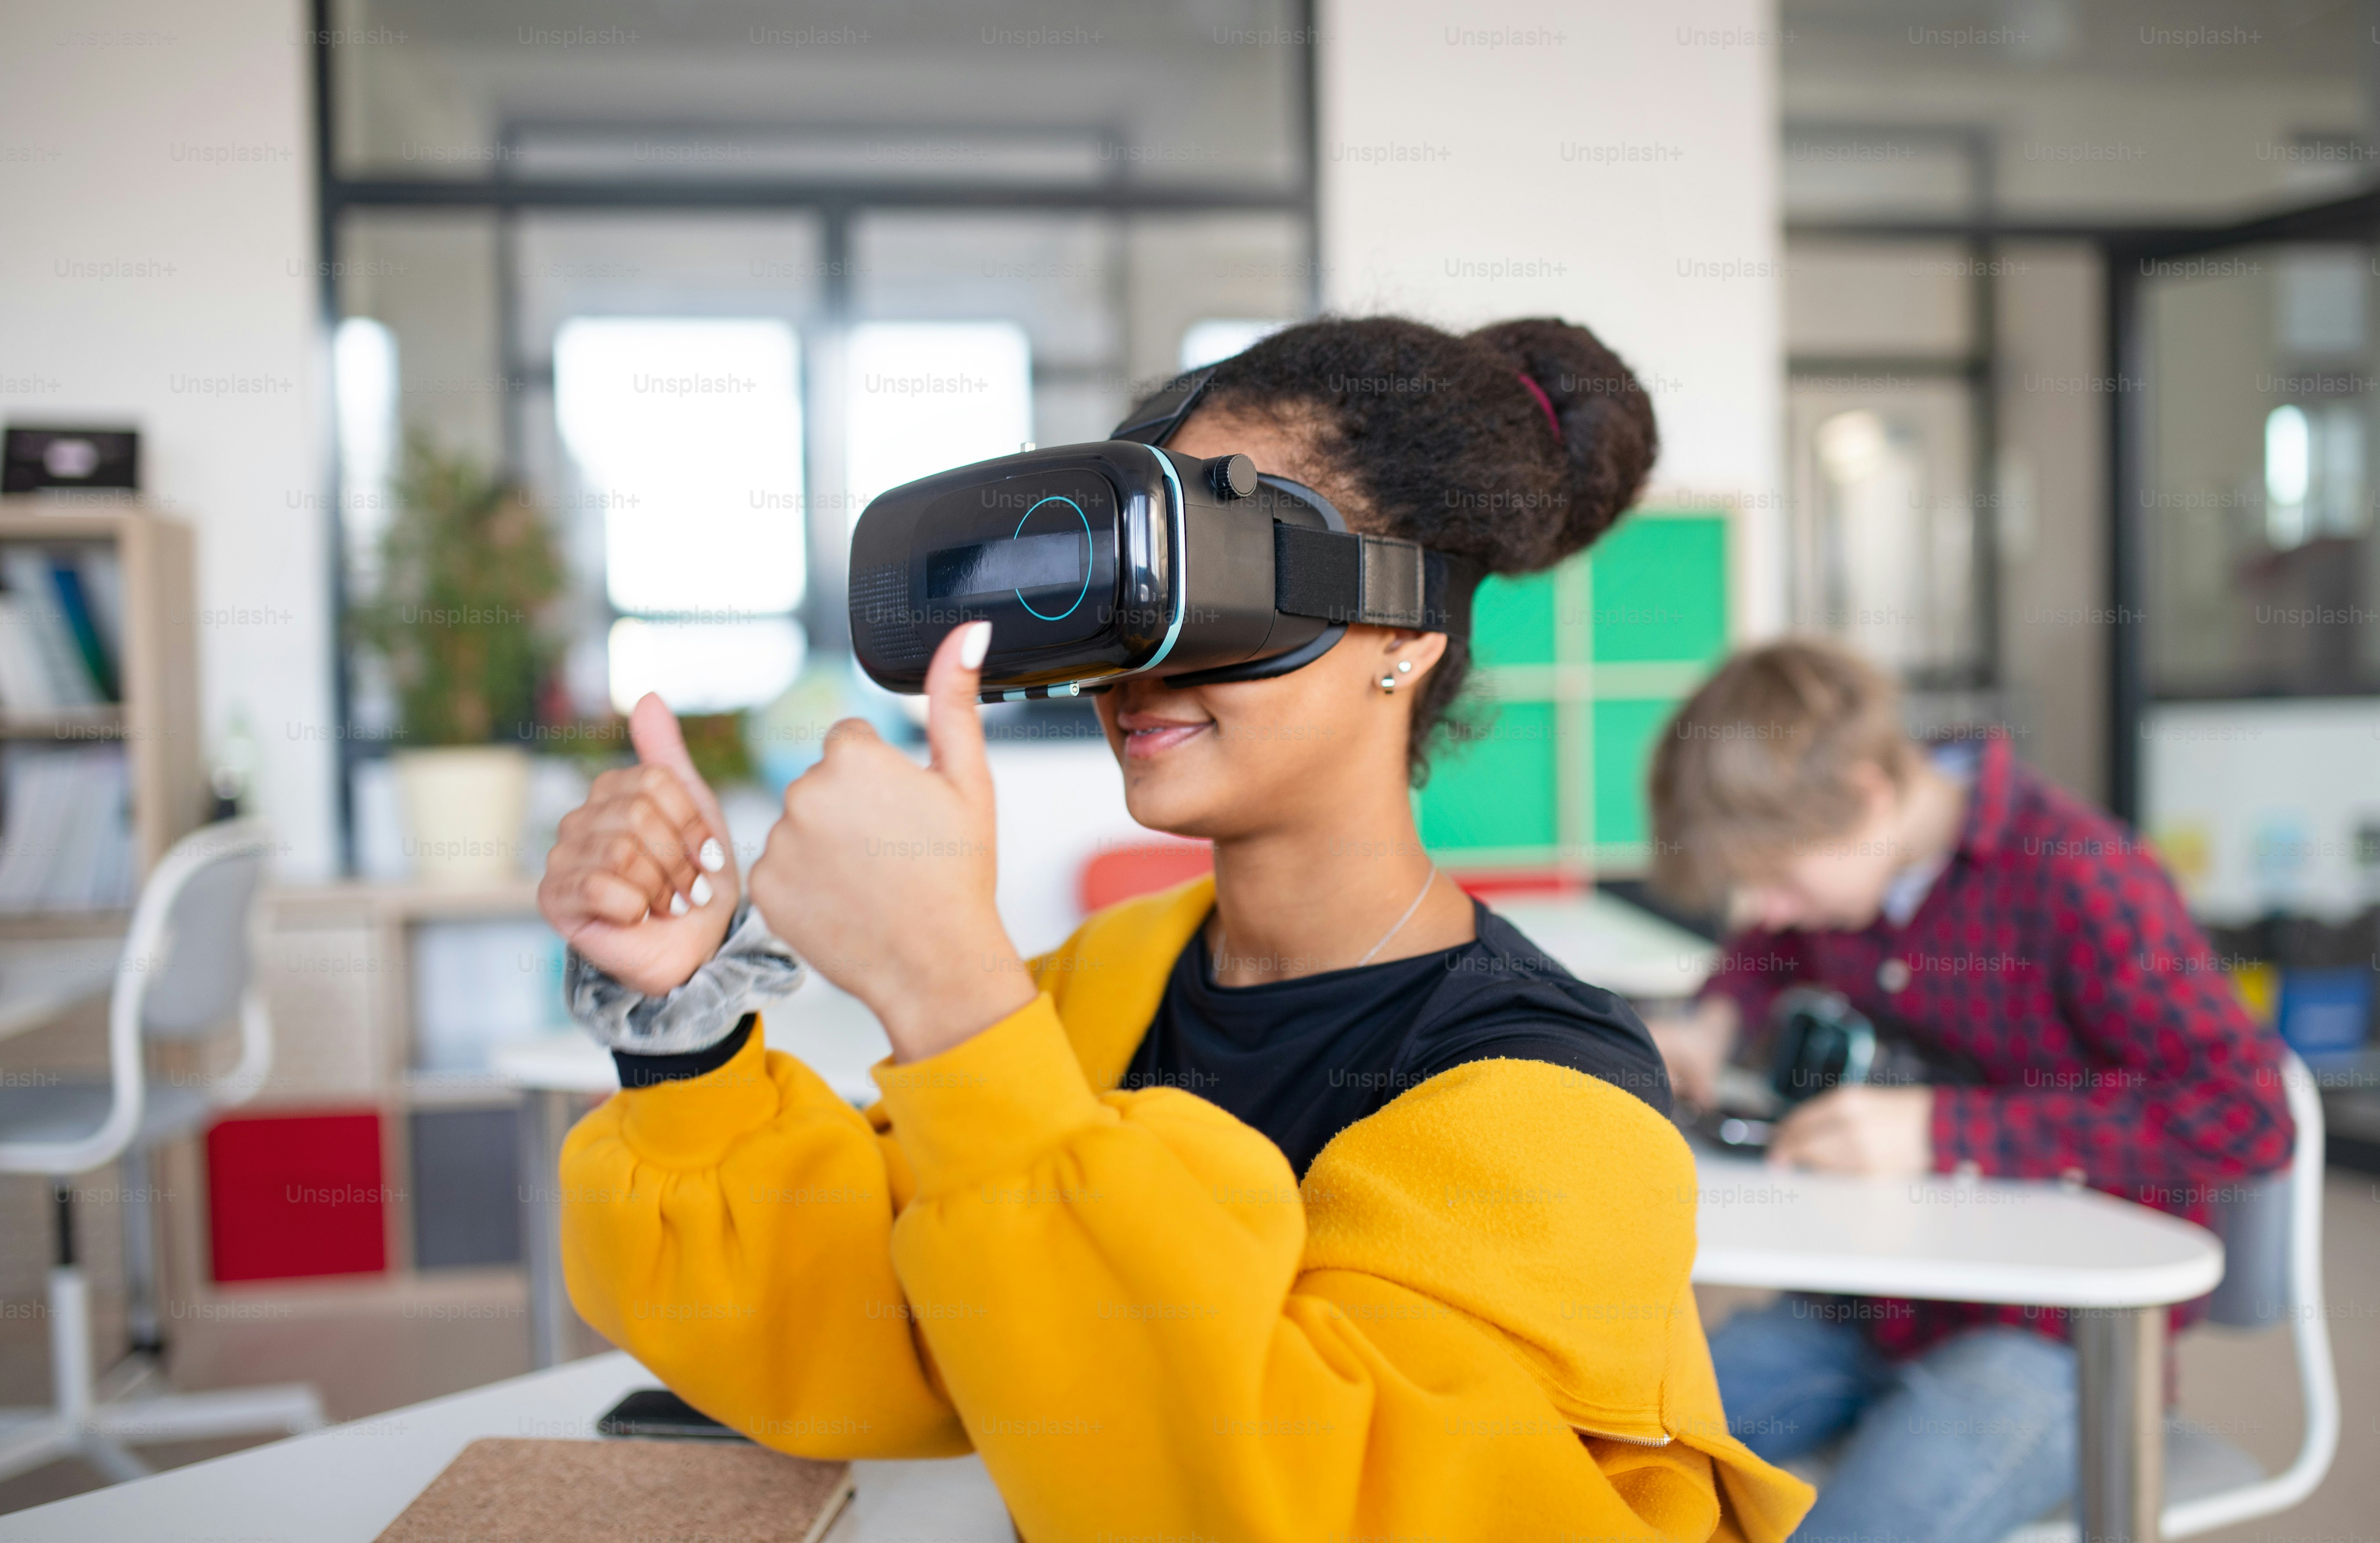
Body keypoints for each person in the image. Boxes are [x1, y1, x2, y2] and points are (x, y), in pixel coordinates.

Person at [536, 317, 1812, 1543]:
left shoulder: (1558, 1100)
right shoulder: (1108, 981)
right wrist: (685, 1028)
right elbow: (881, 1330)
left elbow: (1296, 1502)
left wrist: (951, 993)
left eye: (1218, 578)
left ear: (1404, 631)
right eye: (1127, 590)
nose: (1141, 665)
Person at [1643, 638, 2293, 1543]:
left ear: (1869, 794)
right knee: (1610, 1448)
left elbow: (2243, 1110)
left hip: (2051, 1337)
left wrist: (1940, 1131)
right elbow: (1769, 949)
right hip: (1870, 1305)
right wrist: (1712, 1019)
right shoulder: (1850, 856)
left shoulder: (2080, 874)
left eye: (1778, 878)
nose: (1772, 908)